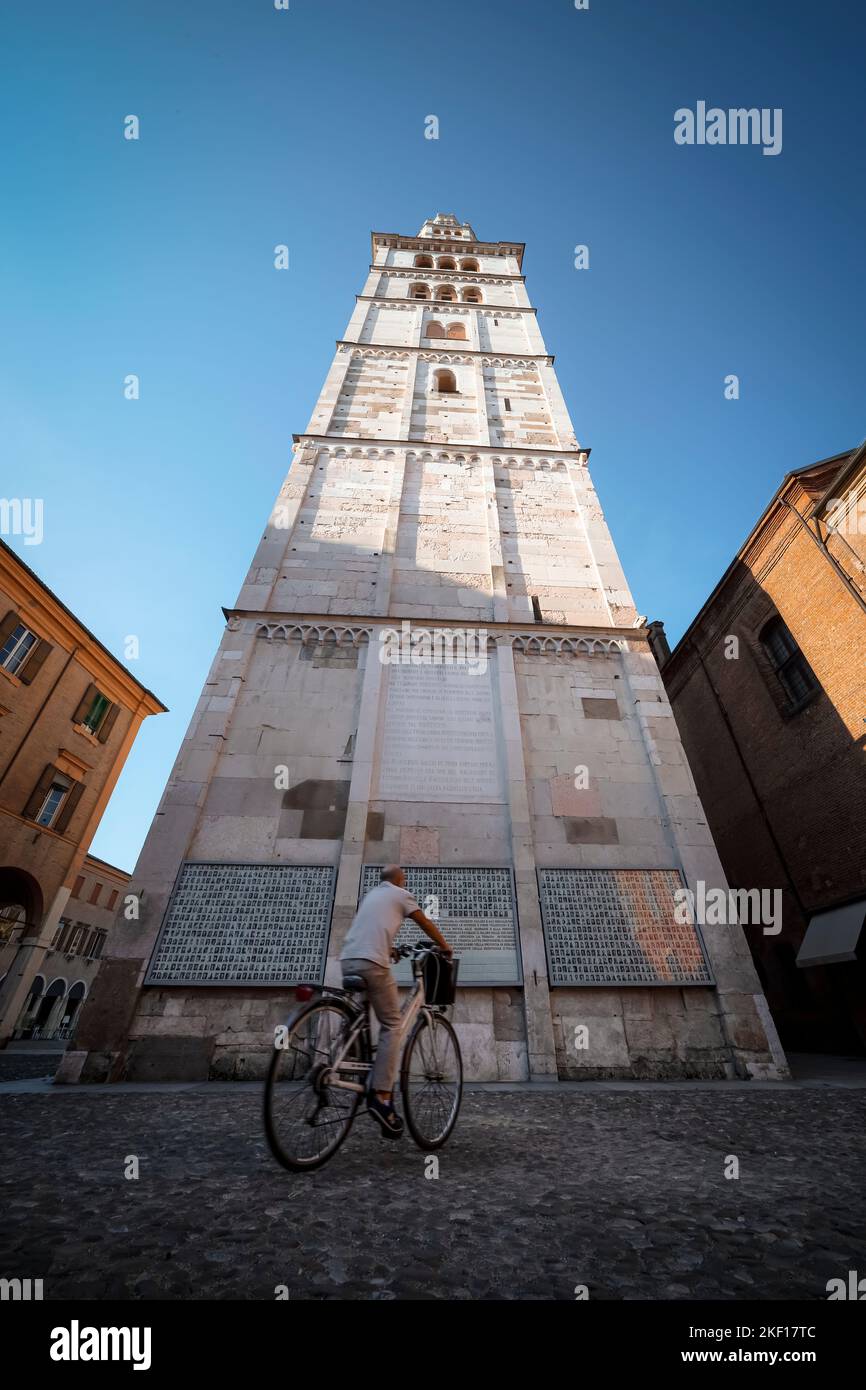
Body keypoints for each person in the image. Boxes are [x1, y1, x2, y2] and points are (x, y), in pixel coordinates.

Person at [340, 865, 452, 1139]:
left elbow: (371, 930)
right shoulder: (401, 894)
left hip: (348, 960)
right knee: (392, 1024)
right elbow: (424, 921)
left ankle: (353, 1057)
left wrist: (390, 948)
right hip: (372, 963)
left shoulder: (371, 896)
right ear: (400, 880)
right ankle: (383, 1096)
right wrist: (445, 946)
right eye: (405, 878)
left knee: (362, 1015)